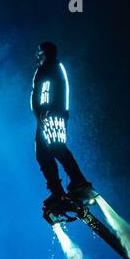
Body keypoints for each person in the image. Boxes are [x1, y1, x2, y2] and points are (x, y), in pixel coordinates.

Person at [31, 41, 93, 209]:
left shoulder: (51, 68)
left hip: (50, 115)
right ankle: (60, 190)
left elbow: (48, 91)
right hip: (46, 116)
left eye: (40, 54)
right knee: (44, 154)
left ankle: (77, 182)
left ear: (45, 53)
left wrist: (48, 111)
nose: (38, 57)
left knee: (55, 147)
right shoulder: (49, 68)